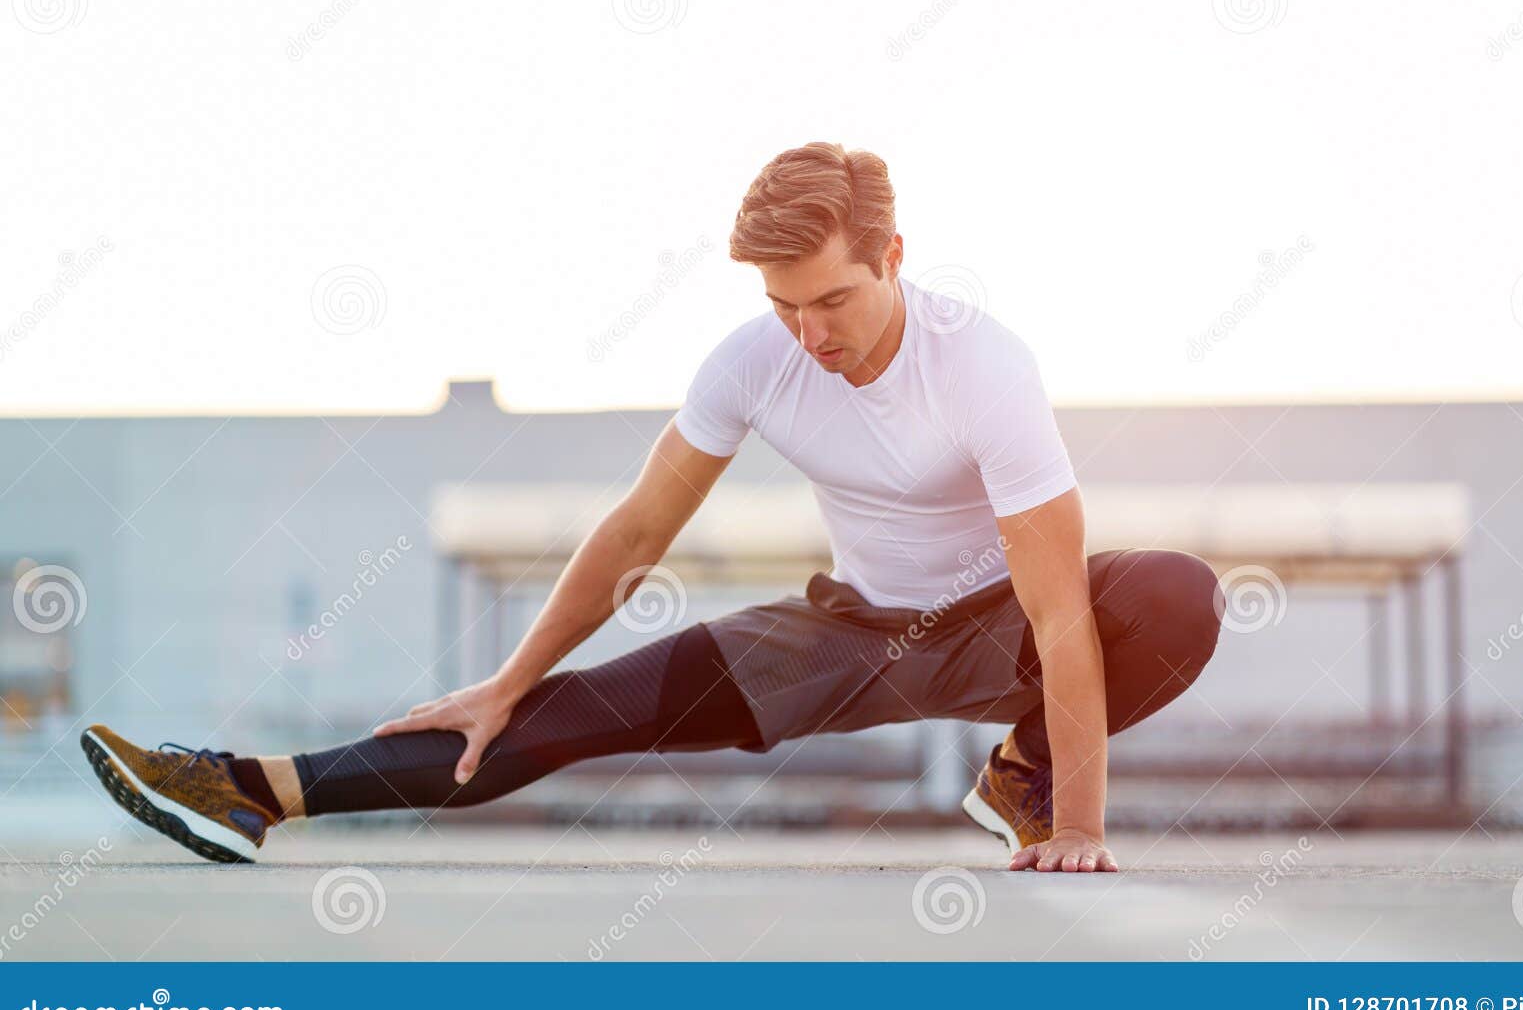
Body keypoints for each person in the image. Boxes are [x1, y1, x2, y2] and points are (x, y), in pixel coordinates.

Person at [81, 141, 1222, 872]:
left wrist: (1075, 820)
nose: (811, 333)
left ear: (896, 258)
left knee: (1172, 592)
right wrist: (508, 677)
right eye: (785, 305)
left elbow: (1063, 613)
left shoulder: (983, 366)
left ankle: (1012, 776)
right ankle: (249, 789)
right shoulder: (751, 361)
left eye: (834, 298)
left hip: (994, 623)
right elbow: (635, 533)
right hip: (841, 634)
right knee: (560, 713)